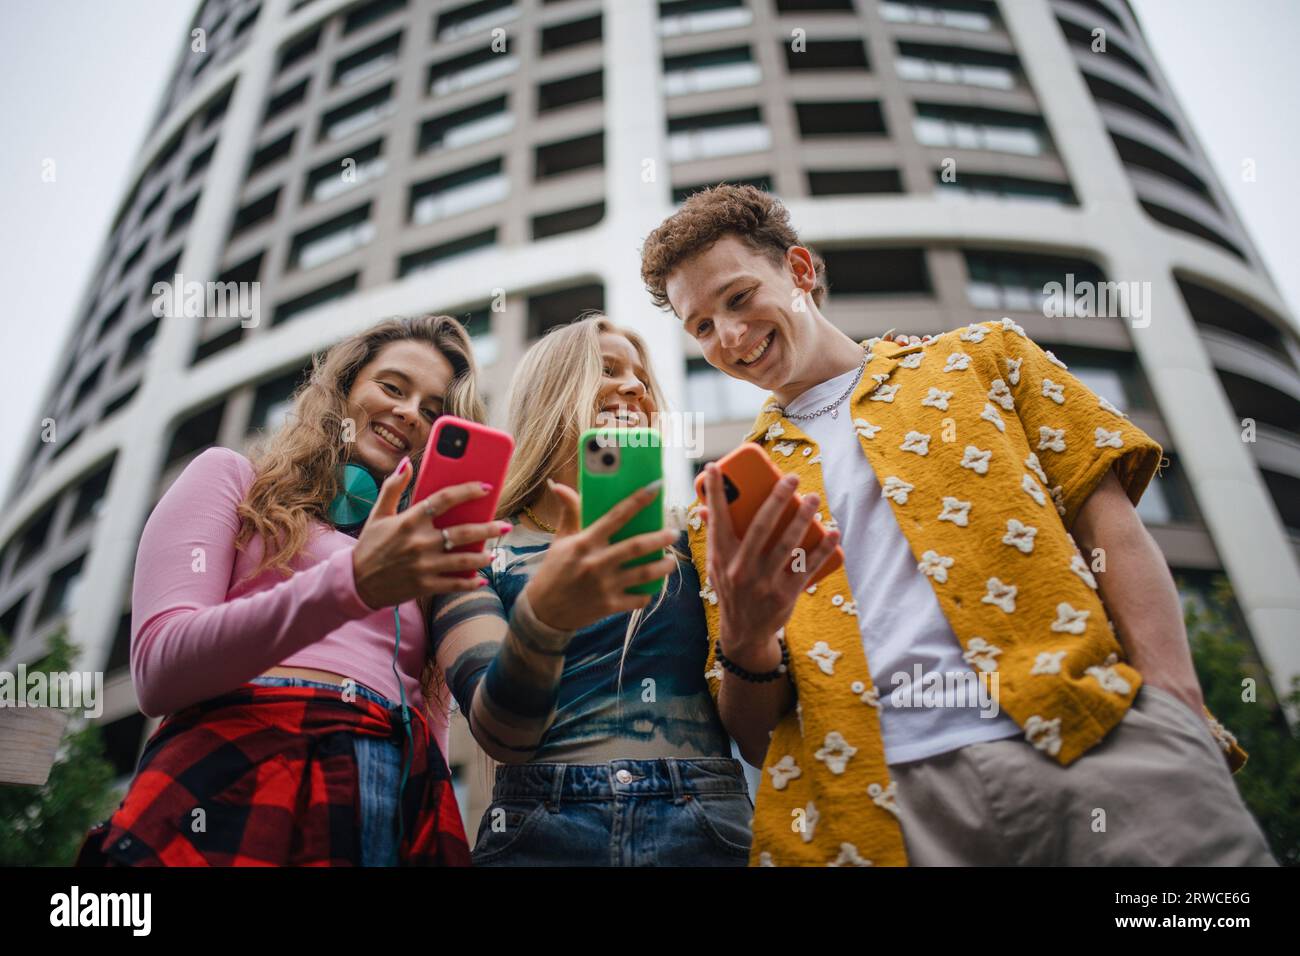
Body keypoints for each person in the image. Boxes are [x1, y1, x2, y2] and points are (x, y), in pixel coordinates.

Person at [638, 183, 1275, 866]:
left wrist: (1176, 704)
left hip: (1101, 743)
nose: (729, 337)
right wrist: (747, 635)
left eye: (738, 298)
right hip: (877, 817)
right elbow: (757, 737)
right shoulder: (724, 504)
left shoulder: (985, 358)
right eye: (700, 326)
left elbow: (1110, 533)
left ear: (798, 273)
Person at [76, 315, 502, 866]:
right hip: (235, 767)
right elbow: (159, 669)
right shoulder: (231, 479)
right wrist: (351, 583)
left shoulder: (420, 557)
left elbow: (431, 722)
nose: (408, 414)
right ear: (345, 388)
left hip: (390, 793)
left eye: (431, 411)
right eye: (392, 388)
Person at [428, 314, 762, 866]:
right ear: (551, 394)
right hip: (540, 830)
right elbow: (502, 734)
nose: (634, 387)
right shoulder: (476, 548)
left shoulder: (698, 537)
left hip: (707, 822)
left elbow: (759, 735)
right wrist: (545, 619)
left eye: (643, 380)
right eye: (606, 370)